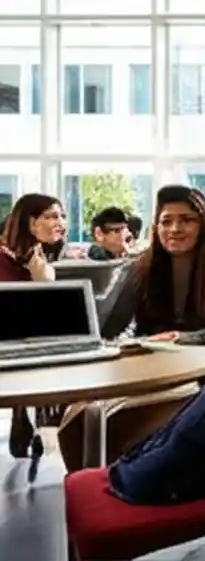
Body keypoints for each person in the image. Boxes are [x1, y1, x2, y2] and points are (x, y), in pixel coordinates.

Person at [59, 185, 205, 472]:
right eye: (166, 221)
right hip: (151, 372)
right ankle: (96, 493)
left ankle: (128, 488)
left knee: (113, 422)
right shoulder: (141, 267)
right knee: (75, 419)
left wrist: (180, 338)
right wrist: (78, 297)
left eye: (186, 220)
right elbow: (111, 324)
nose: (175, 228)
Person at [1, 193, 68, 458]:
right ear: (30, 223)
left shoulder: (33, 254)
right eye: (52, 216)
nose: (60, 223)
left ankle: (37, 422)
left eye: (62, 216)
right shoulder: (4, 260)